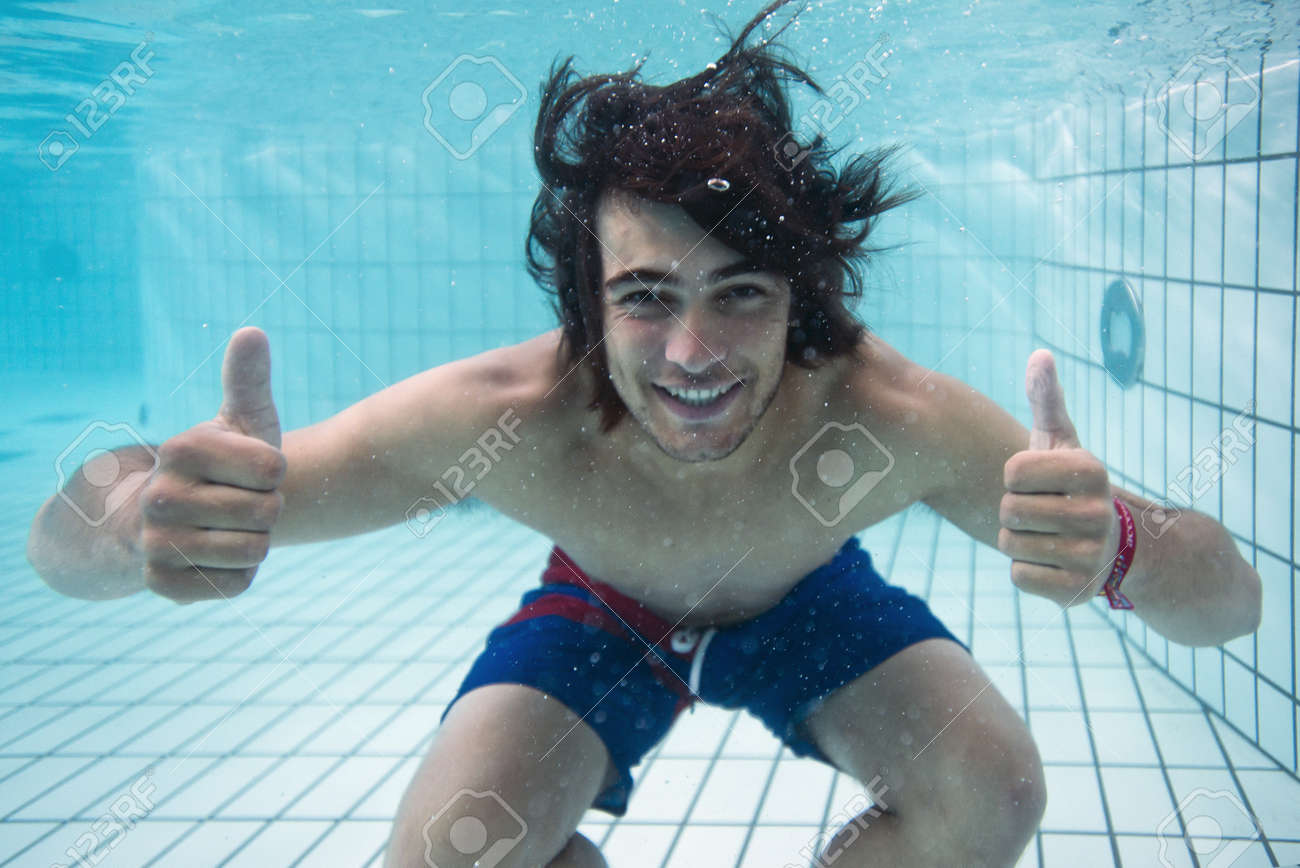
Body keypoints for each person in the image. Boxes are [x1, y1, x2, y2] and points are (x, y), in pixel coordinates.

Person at [27, 2, 1262, 865]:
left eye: (741, 294)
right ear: (586, 305)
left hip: (807, 599)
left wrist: (1125, 552)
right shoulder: (501, 421)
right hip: (603, 609)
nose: (693, 356)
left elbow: (1233, 606)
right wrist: (137, 516)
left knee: (994, 790)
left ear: (803, 299)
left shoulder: (891, 417)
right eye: (645, 297)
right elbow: (57, 549)